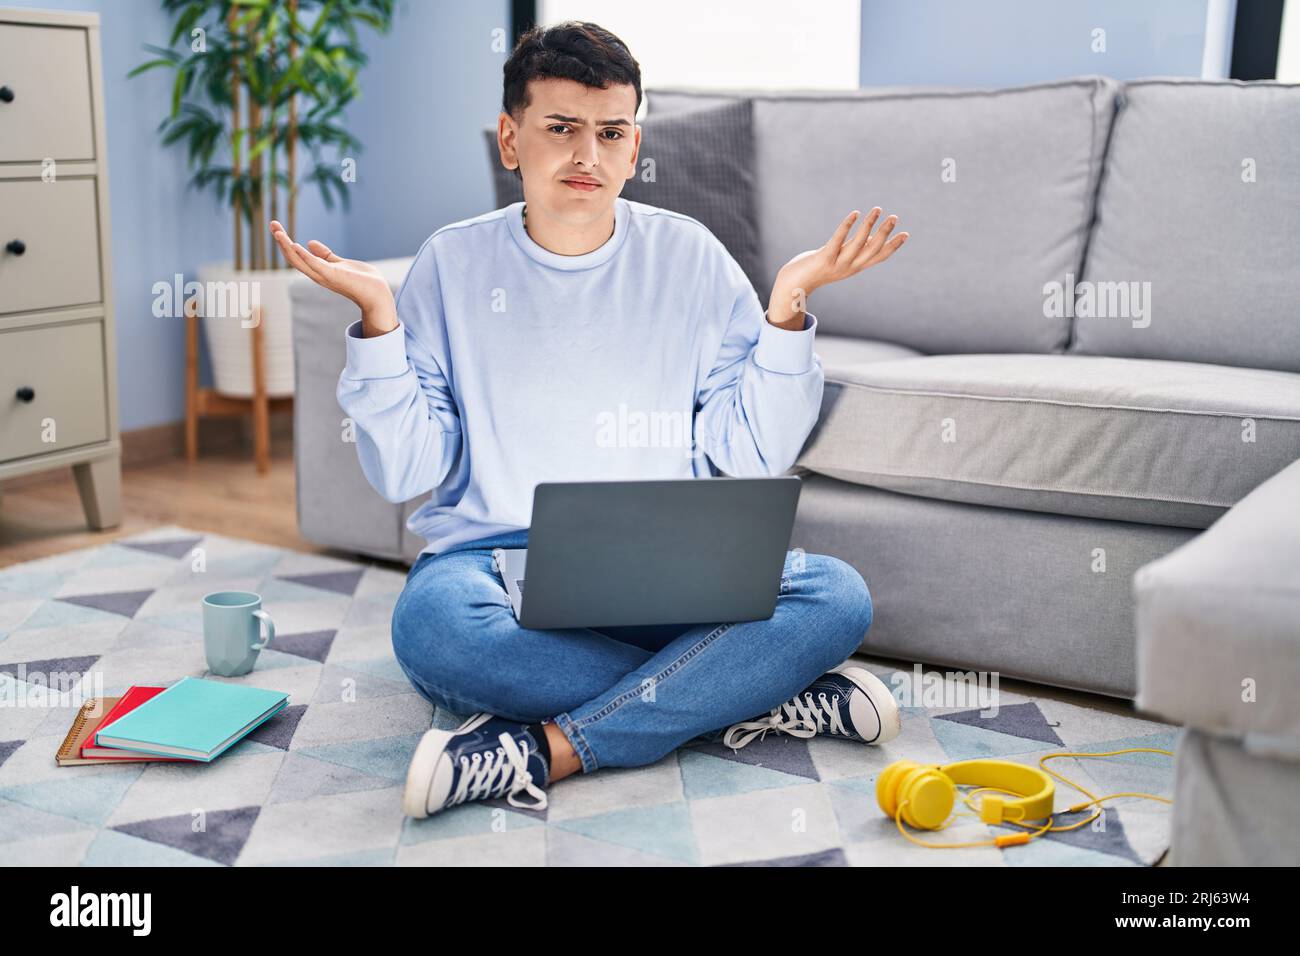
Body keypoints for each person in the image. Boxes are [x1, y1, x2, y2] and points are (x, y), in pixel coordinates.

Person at [269, 20, 910, 819]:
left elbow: (745, 456)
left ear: (635, 145)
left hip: (665, 565)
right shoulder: (451, 264)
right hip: (490, 572)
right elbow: (404, 470)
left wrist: (786, 310)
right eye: (562, 129)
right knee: (433, 631)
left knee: (836, 595)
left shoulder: (693, 258)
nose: (588, 156)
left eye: (611, 133)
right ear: (511, 139)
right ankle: (752, 694)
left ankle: (551, 748)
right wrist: (377, 326)